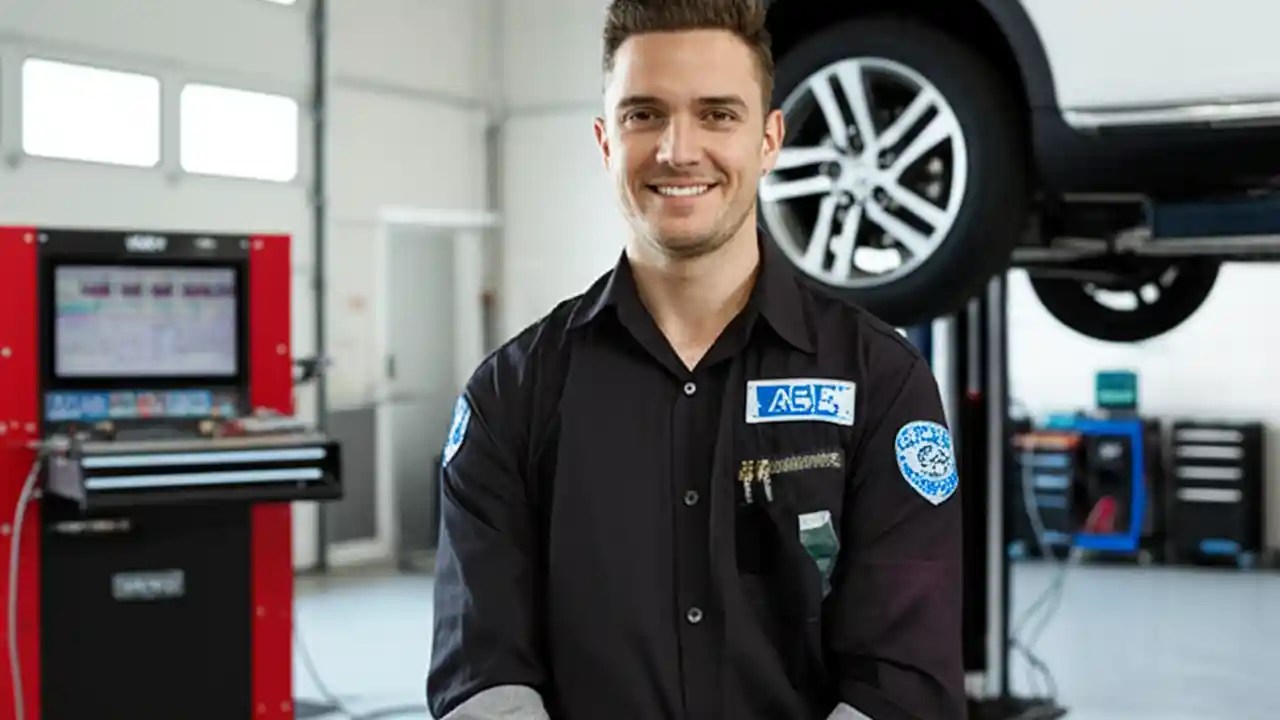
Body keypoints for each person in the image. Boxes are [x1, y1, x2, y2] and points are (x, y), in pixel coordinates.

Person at [426, 0, 966, 717]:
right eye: (644, 114)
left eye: (717, 114)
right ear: (605, 140)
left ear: (769, 139)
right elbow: (483, 674)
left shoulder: (880, 384)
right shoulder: (511, 395)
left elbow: (902, 684)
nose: (678, 150)